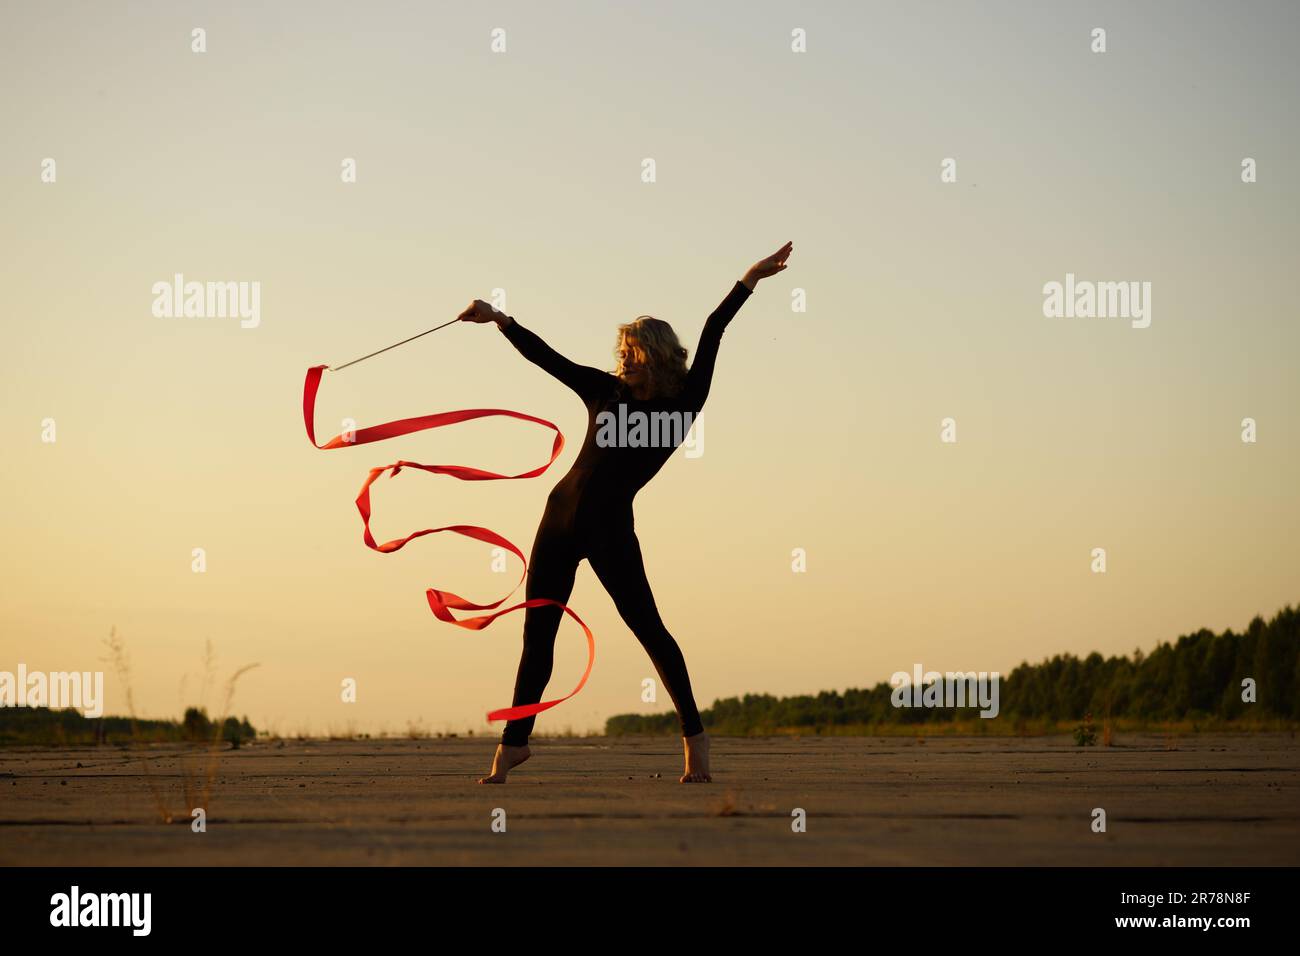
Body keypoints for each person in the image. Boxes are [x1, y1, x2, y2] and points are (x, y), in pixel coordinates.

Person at [458, 241, 794, 783]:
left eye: (633, 351)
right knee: (537, 637)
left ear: (656, 356)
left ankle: (696, 740)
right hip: (557, 519)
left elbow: (713, 328)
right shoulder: (603, 389)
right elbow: (549, 358)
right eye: (622, 350)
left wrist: (749, 279)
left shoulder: (687, 399)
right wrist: (499, 318)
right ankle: (512, 747)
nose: (623, 359)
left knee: (649, 630)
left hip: (611, 528)